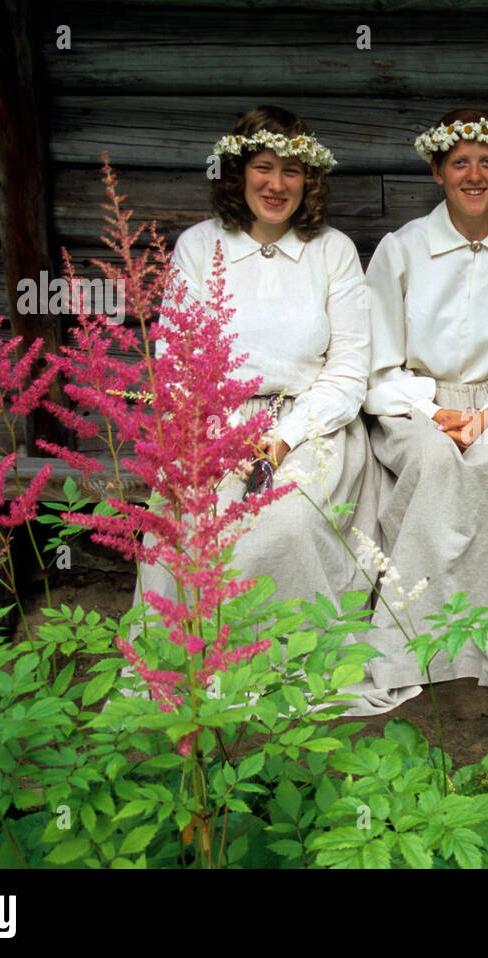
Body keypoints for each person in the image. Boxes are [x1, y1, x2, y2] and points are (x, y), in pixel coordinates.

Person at [134, 106, 375, 640]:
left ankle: (286, 668)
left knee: (281, 523)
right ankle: (196, 668)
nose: (276, 184)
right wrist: (213, 433)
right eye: (264, 167)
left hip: (309, 423)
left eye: (292, 171)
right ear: (239, 171)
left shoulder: (332, 252)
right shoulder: (199, 247)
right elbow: (176, 357)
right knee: (199, 522)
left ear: (308, 181)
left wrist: (283, 439)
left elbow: (350, 370)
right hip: (209, 421)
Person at [351, 109, 488, 713]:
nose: (475, 175)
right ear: (438, 170)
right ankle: (421, 642)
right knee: (437, 465)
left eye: (487, 162)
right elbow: (378, 359)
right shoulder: (403, 249)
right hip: (413, 405)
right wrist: (431, 409)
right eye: (460, 162)